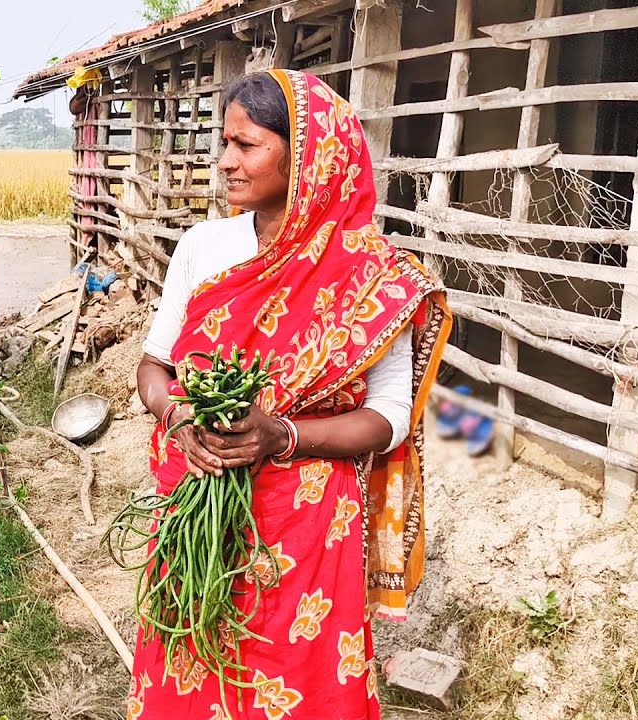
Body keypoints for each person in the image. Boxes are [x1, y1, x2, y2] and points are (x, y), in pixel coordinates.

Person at [129, 70, 451, 719]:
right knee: (193, 666)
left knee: (298, 681)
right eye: (225, 143)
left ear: (306, 155)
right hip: (198, 502)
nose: (226, 161)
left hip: (308, 527)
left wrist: (283, 435)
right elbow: (153, 366)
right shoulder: (204, 248)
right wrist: (178, 415)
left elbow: (387, 418)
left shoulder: (370, 275)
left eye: (246, 145)